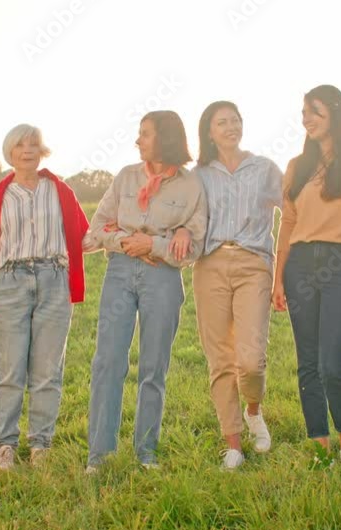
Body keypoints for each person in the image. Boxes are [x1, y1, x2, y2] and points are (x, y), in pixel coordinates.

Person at [83, 110, 207, 472]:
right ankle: (99, 456)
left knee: (154, 366)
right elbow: (98, 228)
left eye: (145, 134)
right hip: (120, 272)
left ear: (165, 137)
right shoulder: (125, 178)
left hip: (163, 277)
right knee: (108, 362)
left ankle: (146, 453)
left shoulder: (190, 185)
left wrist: (153, 245)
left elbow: (194, 244)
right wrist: (127, 242)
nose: (138, 140)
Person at [272, 85, 341, 467]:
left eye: (315, 111)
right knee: (307, 361)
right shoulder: (296, 167)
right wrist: (277, 280)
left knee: (333, 363)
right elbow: (287, 225)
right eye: (304, 112)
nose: (306, 119)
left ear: (336, 113)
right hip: (300, 263)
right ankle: (320, 447)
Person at [0, 124, 89, 471]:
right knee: (9, 370)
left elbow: (82, 235)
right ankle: (5, 445)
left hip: (55, 280)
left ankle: (41, 444)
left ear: (42, 150)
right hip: (10, 282)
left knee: (48, 369)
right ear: (10, 152)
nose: (28, 150)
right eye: (21, 145)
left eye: (34, 144)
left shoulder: (61, 190)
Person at [191, 101, 283, 469]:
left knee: (251, 359)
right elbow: (182, 213)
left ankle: (254, 411)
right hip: (209, 265)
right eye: (221, 122)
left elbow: (293, 210)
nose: (231, 126)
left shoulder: (264, 169)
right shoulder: (198, 174)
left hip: (253, 263)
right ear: (209, 132)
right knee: (220, 358)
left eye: (235, 120)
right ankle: (233, 444)